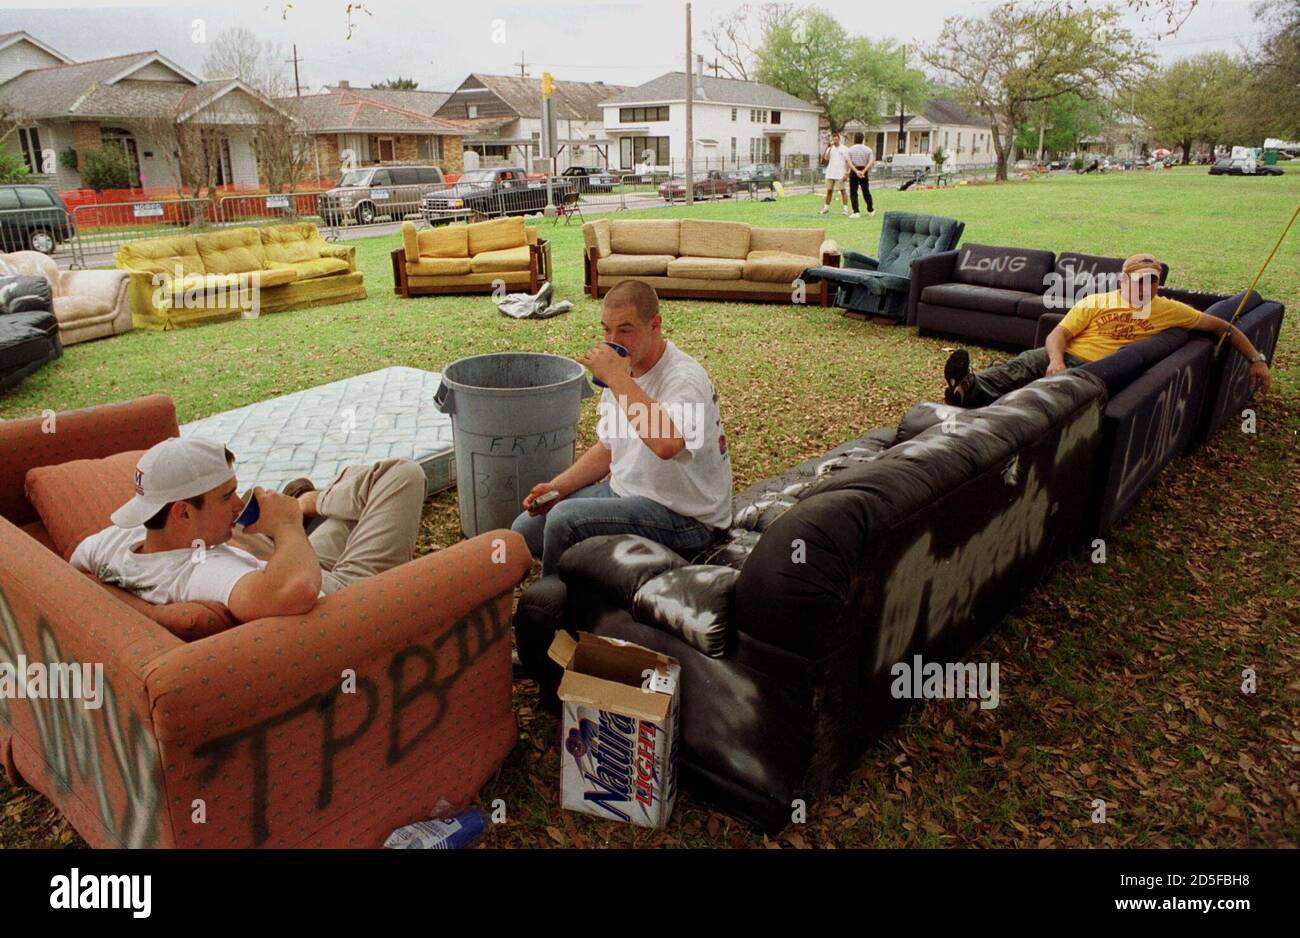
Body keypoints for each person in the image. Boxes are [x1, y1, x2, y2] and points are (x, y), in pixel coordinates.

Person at [70, 438, 427, 622]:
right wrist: (286, 521)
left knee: (359, 504)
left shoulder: (114, 542)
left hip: (284, 561)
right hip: (338, 593)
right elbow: (298, 590)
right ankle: (307, 501)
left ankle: (311, 500)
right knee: (402, 475)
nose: (239, 505)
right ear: (181, 513)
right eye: (227, 498)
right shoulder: (201, 571)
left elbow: (73, 567)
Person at [511, 281, 732, 575]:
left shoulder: (683, 379)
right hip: (627, 495)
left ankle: (554, 603)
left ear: (655, 324)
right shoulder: (623, 372)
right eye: (606, 330)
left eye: (625, 330)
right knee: (525, 528)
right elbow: (608, 448)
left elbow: (667, 445)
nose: (614, 340)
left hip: (688, 519)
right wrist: (557, 488)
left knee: (564, 520)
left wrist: (617, 379)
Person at [942, 253, 1272, 408]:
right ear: (1123, 280)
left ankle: (975, 397)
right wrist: (1055, 360)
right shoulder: (1096, 302)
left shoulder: (1171, 310)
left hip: (1094, 371)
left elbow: (1223, 326)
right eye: (1138, 279)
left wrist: (1256, 359)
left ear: (1158, 283)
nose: (1145, 286)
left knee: (1034, 391)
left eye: (1152, 280)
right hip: (1067, 355)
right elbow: (1057, 335)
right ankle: (969, 387)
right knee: (1024, 364)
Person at [820, 132, 852, 216]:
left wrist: (846, 173)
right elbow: (826, 158)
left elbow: (847, 162)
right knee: (829, 191)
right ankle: (826, 208)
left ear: (839, 139)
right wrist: (829, 147)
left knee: (843, 191)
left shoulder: (845, 149)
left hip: (840, 173)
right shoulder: (830, 148)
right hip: (830, 173)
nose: (835, 141)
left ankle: (845, 209)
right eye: (833, 139)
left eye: (836, 139)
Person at [847, 132, 876, 218]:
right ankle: (870, 210)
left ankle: (856, 211)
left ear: (854, 139)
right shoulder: (868, 149)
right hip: (864, 169)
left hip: (854, 170)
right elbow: (871, 162)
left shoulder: (850, 149)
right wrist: (863, 171)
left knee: (853, 192)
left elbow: (849, 162)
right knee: (866, 191)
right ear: (863, 139)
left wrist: (856, 171)